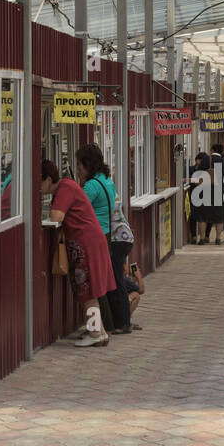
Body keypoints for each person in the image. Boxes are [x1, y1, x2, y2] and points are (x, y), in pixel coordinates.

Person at [41, 159, 115, 347]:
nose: (38, 188)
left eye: (39, 183)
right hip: (89, 242)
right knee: (90, 291)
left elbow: (56, 216)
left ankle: (95, 332)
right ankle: (101, 332)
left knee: (87, 291)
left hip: (85, 244)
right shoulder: (68, 186)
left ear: (49, 179)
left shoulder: (65, 187)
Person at [77, 142, 133, 334]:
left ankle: (106, 327)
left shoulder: (92, 185)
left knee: (99, 285)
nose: (78, 169)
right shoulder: (106, 179)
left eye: (79, 165)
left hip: (96, 236)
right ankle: (116, 323)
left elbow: (77, 205)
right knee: (111, 281)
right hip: (110, 234)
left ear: (86, 164)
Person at [205, 143, 224, 244]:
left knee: (205, 214)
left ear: (212, 150)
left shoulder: (206, 159)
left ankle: (205, 237)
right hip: (220, 190)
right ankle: (218, 238)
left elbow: (198, 171)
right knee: (219, 215)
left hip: (206, 189)